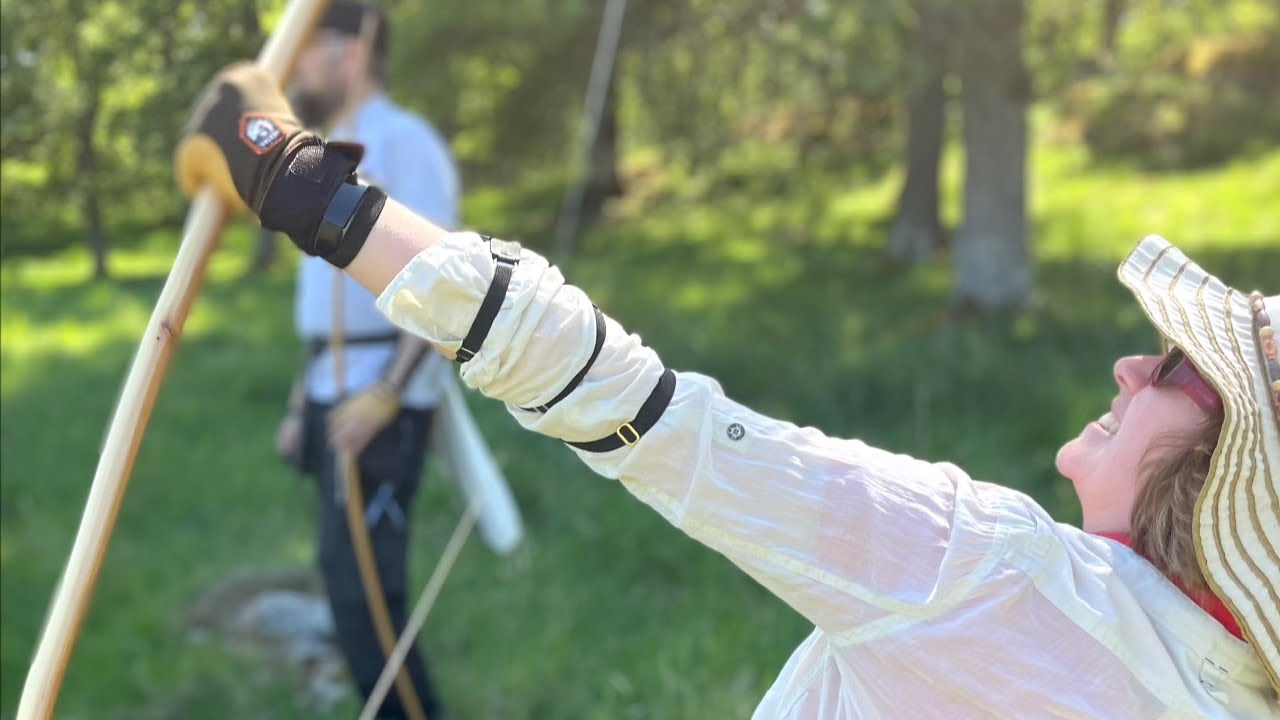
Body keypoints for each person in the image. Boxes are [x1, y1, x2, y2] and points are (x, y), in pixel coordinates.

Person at [176, 63, 1280, 717]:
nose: (1130, 365)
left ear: (1237, 471)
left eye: (1179, 370)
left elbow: (640, 410)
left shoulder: (994, 573)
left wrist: (289, 174)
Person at [266, 3, 458, 717]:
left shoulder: (405, 142)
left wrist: (387, 393)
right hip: (328, 393)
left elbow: (447, 285)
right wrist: (299, 401)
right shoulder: (320, 147)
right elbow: (326, 306)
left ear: (354, 48)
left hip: (379, 407)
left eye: (309, 48)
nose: (296, 66)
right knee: (344, 586)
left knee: (367, 599)